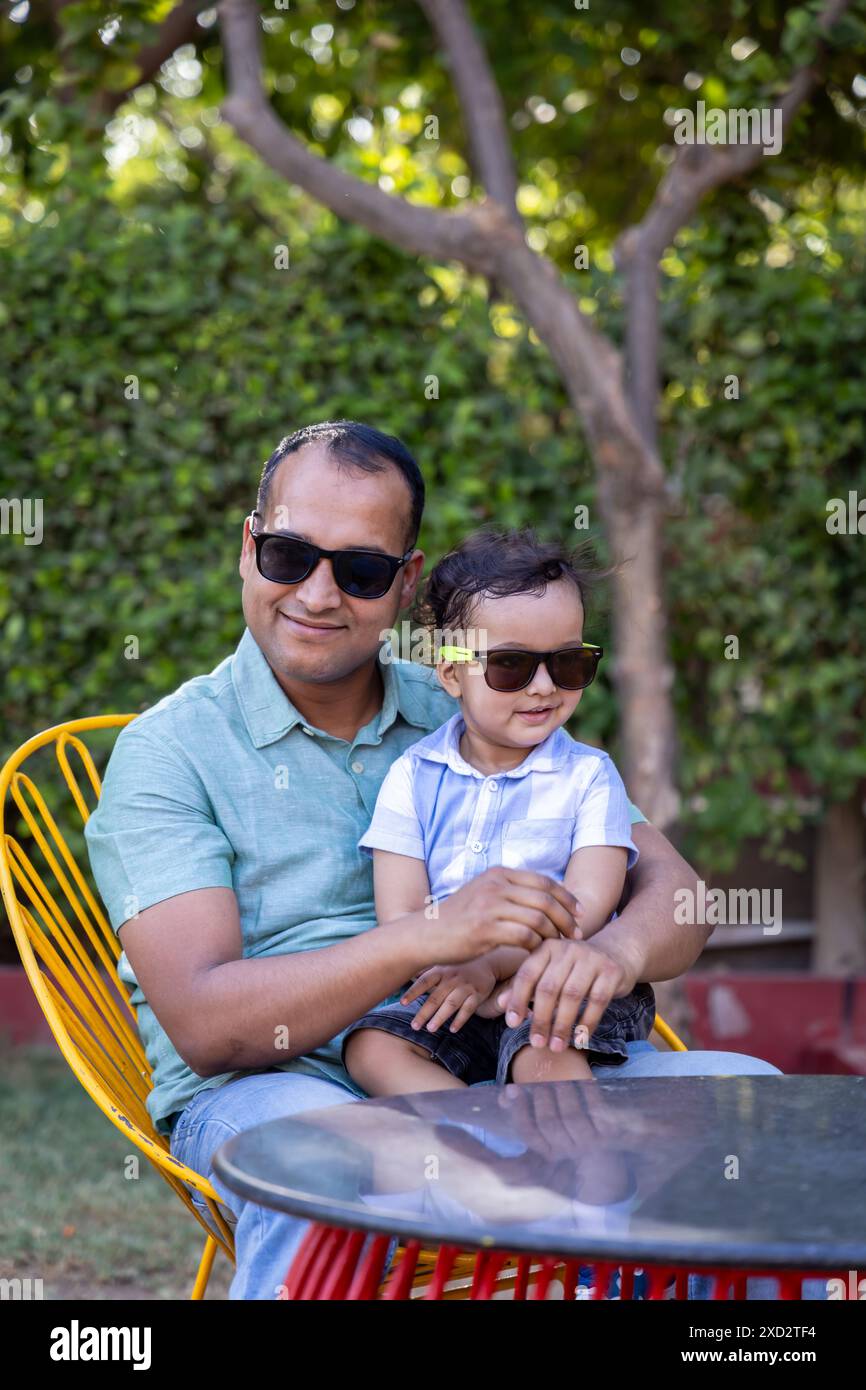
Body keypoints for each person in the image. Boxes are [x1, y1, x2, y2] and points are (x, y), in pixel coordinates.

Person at [84, 419, 781, 1301]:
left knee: (753, 1111)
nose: (319, 593)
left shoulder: (478, 692)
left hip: (507, 1056)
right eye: (290, 554)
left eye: (362, 570)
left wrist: (610, 954)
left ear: (407, 584)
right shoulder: (172, 752)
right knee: (321, 1171)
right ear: (248, 547)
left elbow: (672, 892)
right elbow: (208, 1024)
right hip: (281, 1083)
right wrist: (434, 937)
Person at [344, 527, 655, 1096]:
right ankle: (467, 1146)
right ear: (450, 673)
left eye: (568, 664)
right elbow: (402, 918)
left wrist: (493, 967)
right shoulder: (412, 777)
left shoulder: (589, 777)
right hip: (448, 986)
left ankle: (574, 1171)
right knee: (372, 1048)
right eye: (510, 665)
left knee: (544, 1049)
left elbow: (582, 913)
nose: (542, 687)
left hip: (553, 986)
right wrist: (461, 968)